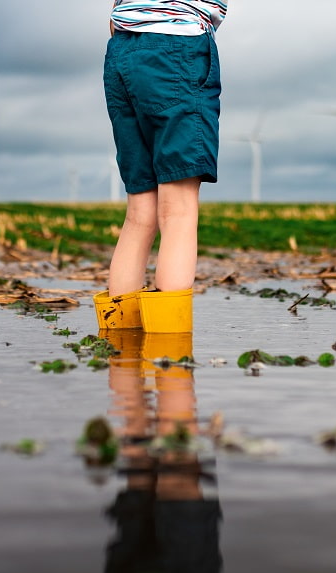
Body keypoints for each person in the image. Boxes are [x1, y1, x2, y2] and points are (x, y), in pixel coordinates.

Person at [94, 0, 226, 333]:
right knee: (178, 211)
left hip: (122, 49)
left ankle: (121, 352)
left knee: (141, 213)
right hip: (176, 47)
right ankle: (169, 355)